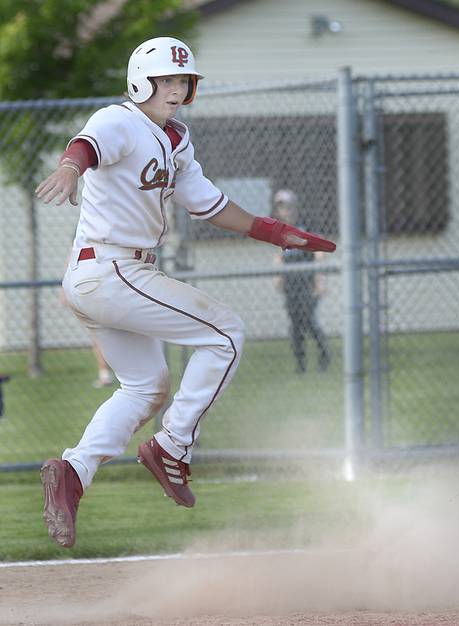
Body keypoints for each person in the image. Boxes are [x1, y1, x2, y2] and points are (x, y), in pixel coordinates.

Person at [34, 36, 335, 549]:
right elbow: (85, 146)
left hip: (105, 276)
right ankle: (172, 447)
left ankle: (73, 473)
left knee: (146, 387)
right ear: (139, 83)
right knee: (227, 333)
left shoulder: (176, 141)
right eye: (165, 80)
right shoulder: (121, 119)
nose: (175, 89)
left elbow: (212, 206)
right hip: (112, 268)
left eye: (182, 81)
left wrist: (273, 231)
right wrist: (68, 168)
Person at [272, 189, 330, 373]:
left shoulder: (305, 227)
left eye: (288, 207)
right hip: (290, 285)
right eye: (281, 207)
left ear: (295, 208)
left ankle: (324, 354)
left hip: (306, 283)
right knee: (295, 325)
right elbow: (279, 256)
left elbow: (319, 254)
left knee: (308, 322)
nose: (285, 211)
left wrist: (319, 282)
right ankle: (301, 363)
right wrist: (278, 276)